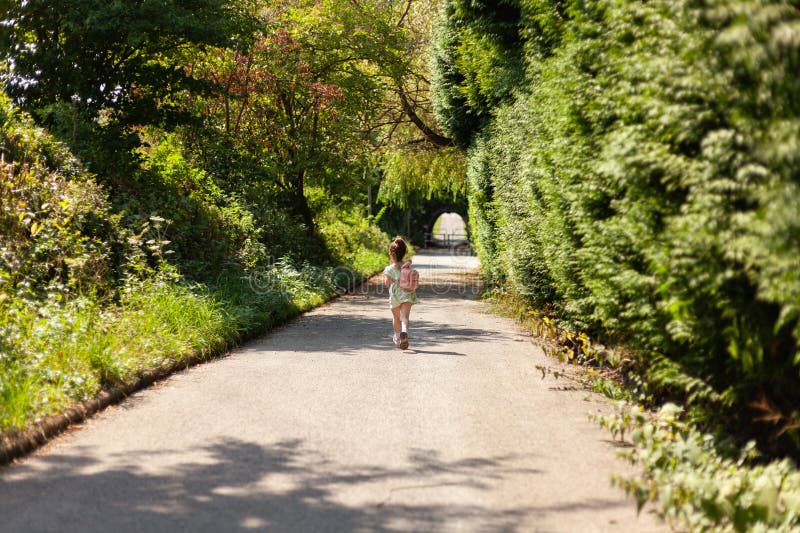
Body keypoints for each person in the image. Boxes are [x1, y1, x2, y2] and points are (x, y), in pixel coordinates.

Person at [383, 237, 419, 349]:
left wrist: (393, 280)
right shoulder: (407, 267)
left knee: (396, 317)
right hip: (407, 293)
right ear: (405, 253)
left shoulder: (389, 269)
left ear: (390, 254)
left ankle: (398, 336)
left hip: (394, 296)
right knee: (405, 317)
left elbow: (387, 283)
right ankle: (404, 332)